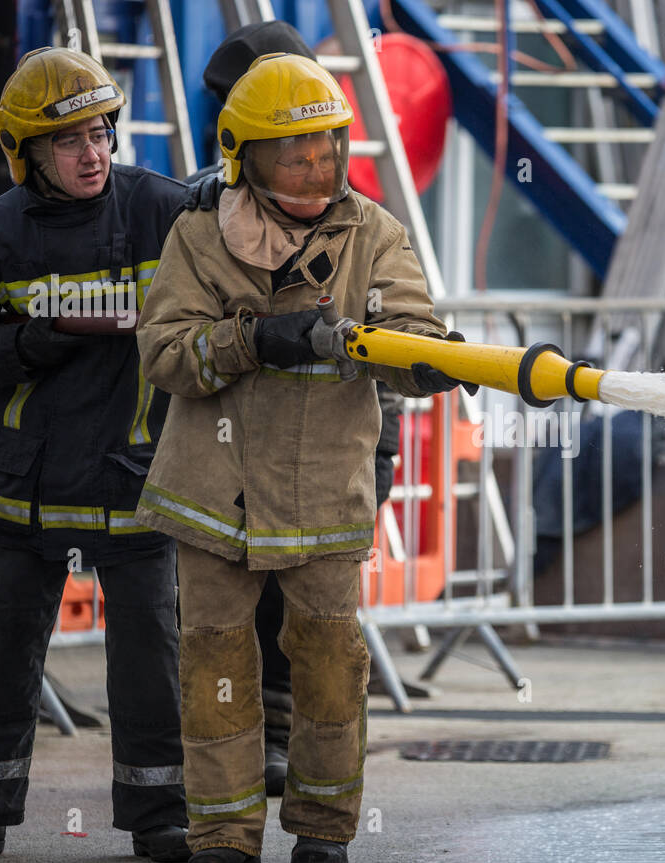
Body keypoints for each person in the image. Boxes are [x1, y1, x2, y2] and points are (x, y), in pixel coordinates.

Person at [134, 52, 462, 863]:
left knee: (330, 670)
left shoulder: (374, 235)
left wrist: (427, 361)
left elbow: (407, 330)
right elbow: (166, 355)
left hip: (323, 496)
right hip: (215, 497)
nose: (317, 169)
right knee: (214, 670)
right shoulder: (198, 236)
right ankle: (222, 838)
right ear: (245, 156)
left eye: (327, 149)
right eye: (295, 155)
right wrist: (253, 339)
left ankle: (322, 834)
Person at [0, 47, 190, 863]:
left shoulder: (165, 211)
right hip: (21, 493)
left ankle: (159, 817)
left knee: (150, 663)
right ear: (26, 154)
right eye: (69, 141)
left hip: (134, 484)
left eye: (100, 132)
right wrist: (16, 349)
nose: (92, 152)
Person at [185, 20, 407, 799]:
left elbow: (388, 338)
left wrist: (380, 454)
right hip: (230, 457)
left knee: (312, 623)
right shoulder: (199, 215)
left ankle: (292, 763)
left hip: (324, 453)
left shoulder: (357, 222)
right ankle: (231, 772)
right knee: (225, 616)